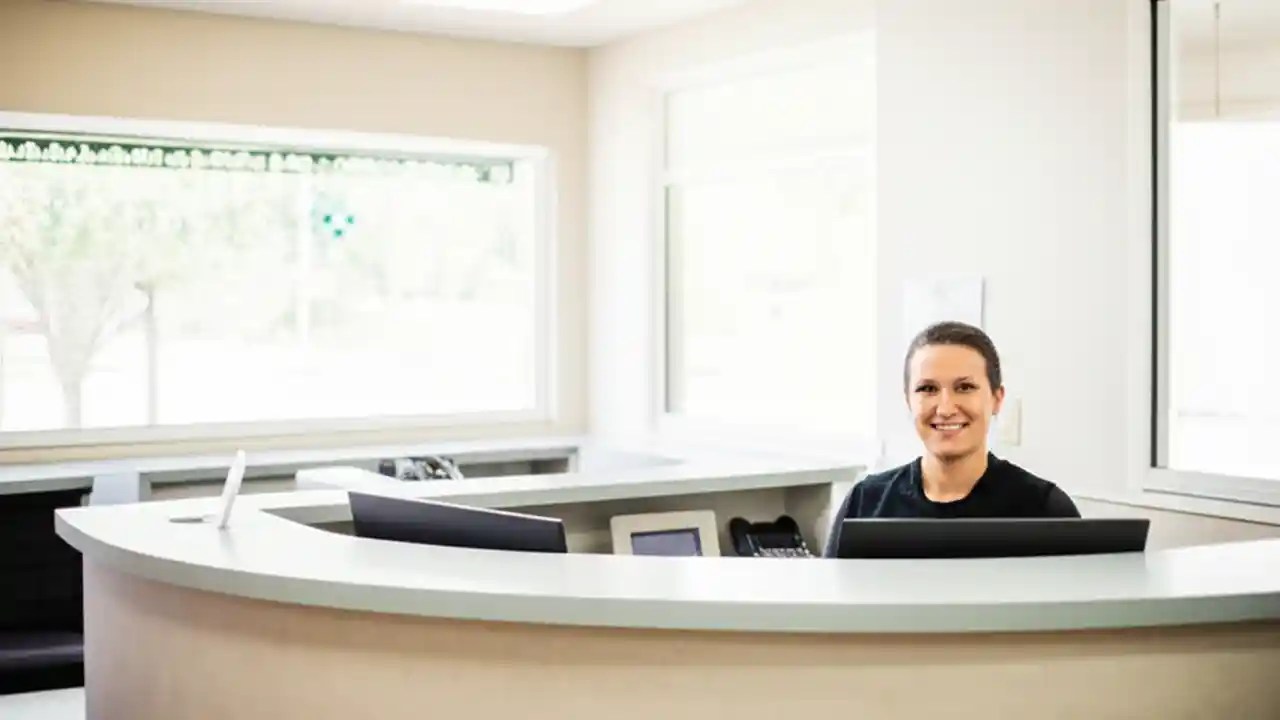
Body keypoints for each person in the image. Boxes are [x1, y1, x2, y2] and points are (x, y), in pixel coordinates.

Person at [825, 321, 1079, 556]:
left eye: (965, 387)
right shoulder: (865, 504)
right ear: (908, 401)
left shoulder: (1044, 510)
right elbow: (833, 601)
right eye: (928, 389)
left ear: (996, 398)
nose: (945, 408)